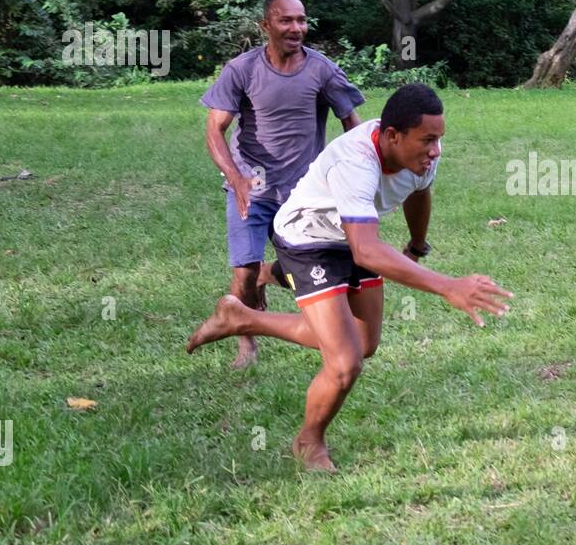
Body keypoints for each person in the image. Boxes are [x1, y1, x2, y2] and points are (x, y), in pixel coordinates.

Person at [187, 83, 513, 473]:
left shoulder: (421, 154)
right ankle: (309, 441)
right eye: (428, 140)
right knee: (344, 362)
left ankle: (243, 316)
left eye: (439, 139)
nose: (436, 151)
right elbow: (367, 251)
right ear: (392, 136)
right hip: (308, 239)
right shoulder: (357, 161)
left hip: (355, 235)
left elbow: (418, 193)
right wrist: (447, 286)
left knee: (363, 343)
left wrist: (418, 243)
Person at [200, 0, 364, 368]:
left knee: (309, 271)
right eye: (286, 21)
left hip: (303, 193)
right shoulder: (242, 69)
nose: (297, 28)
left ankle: (319, 325)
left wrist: (352, 176)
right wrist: (236, 177)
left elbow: (352, 126)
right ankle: (247, 344)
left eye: (301, 20)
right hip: (252, 188)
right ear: (266, 26)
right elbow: (214, 129)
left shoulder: (322, 70)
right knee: (243, 273)